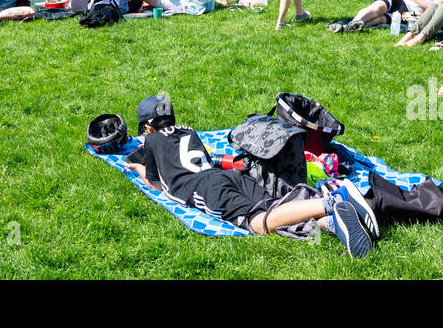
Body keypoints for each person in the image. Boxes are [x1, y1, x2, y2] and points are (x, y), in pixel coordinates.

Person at [124, 95, 378, 257]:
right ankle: (328, 222)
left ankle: (331, 201)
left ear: (147, 126)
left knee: (259, 223)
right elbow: (205, 160)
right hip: (227, 177)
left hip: (204, 188)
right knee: (276, 211)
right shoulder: (189, 130)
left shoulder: (152, 140)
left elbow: (156, 185)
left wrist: (137, 168)